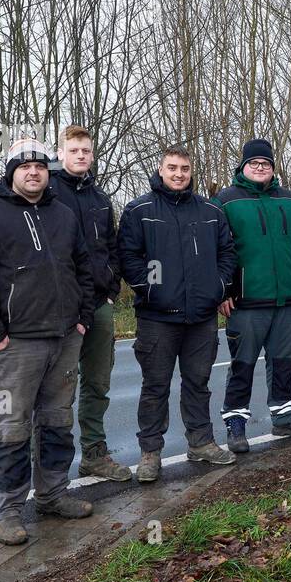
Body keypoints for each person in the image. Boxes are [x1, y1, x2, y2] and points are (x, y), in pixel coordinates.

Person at [0, 138, 96, 546]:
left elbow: (83, 269)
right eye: (24, 166)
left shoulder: (64, 215)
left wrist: (83, 319)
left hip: (65, 338)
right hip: (15, 345)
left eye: (39, 165)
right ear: (11, 172)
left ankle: (52, 495)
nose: (33, 172)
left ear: (48, 171)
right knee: (11, 427)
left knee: (57, 420)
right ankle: (7, 509)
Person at [117, 144, 237, 480]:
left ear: (191, 170)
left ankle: (200, 442)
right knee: (155, 386)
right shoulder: (139, 210)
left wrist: (217, 286)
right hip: (157, 317)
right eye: (172, 168)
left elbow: (227, 253)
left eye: (184, 168)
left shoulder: (210, 212)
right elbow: (129, 257)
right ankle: (150, 453)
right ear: (160, 169)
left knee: (198, 382)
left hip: (201, 317)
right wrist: (152, 289)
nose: (179, 174)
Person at [212, 138, 291, 452]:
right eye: (254, 163)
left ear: (274, 168)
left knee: (284, 363)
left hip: (287, 299)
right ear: (243, 166)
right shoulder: (225, 201)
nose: (260, 168)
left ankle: (284, 419)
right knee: (242, 365)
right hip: (245, 302)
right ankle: (235, 424)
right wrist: (225, 290)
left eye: (266, 164)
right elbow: (218, 250)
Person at [49, 123, 131, 481]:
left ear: (92, 154)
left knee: (98, 382)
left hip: (99, 303)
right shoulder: (47, 193)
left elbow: (111, 246)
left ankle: (95, 454)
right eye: (74, 150)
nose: (80, 156)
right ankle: (51, 468)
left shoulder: (100, 199)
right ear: (61, 153)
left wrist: (112, 288)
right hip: (61, 308)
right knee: (58, 387)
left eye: (86, 150)